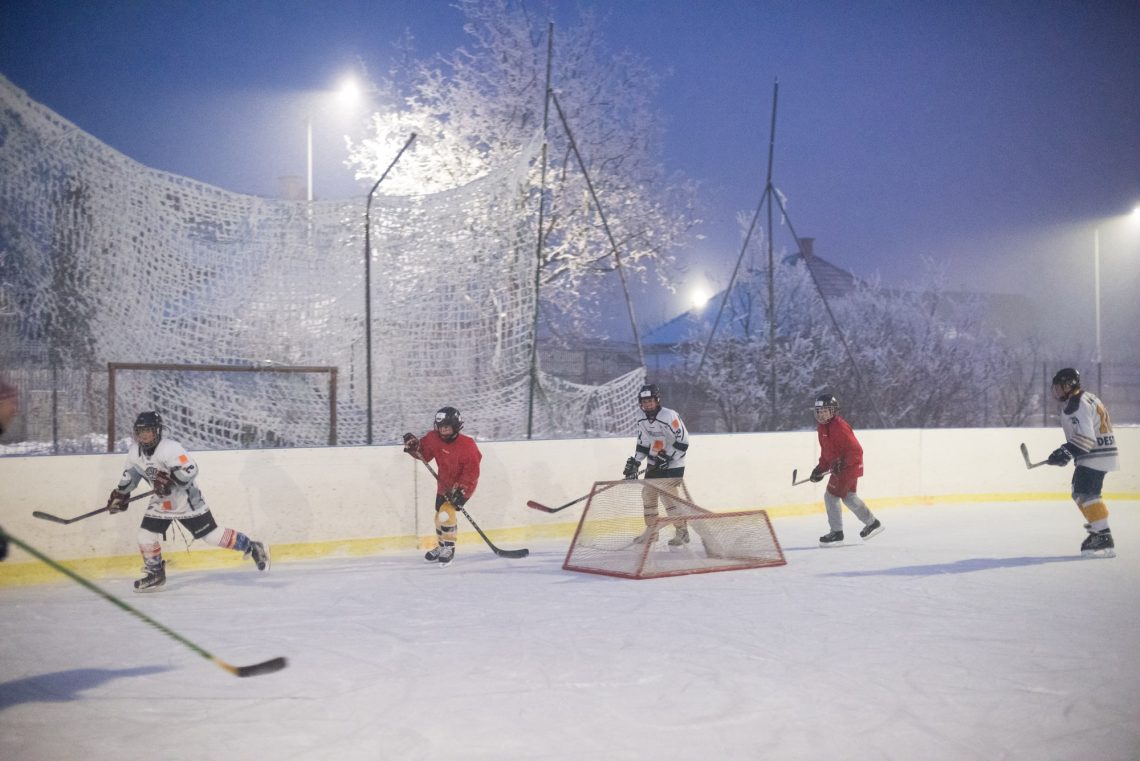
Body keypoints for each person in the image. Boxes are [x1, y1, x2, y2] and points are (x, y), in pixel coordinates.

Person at [106, 411, 270, 591]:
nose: (144, 435)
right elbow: (130, 477)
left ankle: (252, 546)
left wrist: (171, 479)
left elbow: (191, 470)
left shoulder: (171, 448)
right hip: (161, 503)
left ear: (158, 431)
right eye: (141, 431)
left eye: (149, 431)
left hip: (187, 501)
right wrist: (121, 495)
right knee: (144, 536)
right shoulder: (134, 453)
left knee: (212, 537)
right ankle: (155, 573)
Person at [1047, 368, 1117, 558]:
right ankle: (1099, 530)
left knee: (1086, 493)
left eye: (1060, 387)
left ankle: (1102, 535)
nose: (1058, 392)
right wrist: (1067, 452)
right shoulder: (1088, 397)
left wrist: (1066, 451)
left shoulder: (1076, 404)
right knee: (1080, 492)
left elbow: (1086, 438)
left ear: (1069, 385)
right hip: (1101, 452)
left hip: (1096, 454)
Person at [402, 406, 482, 567]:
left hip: (464, 486)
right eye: (441, 426)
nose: (443, 429)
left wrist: (462, 488)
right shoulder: (433, 438)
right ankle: (442, 544)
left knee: (446, 513)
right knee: (439, 516)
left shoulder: (467, 445)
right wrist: (414, 448)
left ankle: (449, 547)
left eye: (447, 425)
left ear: (456, 426)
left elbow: (472, 471)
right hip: (444, 484)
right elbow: (424, 454)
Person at [811, 393, 882, 547]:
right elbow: (826, 452)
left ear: (833, 411)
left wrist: (842, 463)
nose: (822, 414)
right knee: (849, 497)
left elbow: (856, 451)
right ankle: (873, 523)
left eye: (825, 411)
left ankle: (837, 533)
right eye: (819, 411)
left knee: (831, 496)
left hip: (848, 467)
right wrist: (819, 469)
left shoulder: (839, 426)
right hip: (843, 467)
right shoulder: (822, 428)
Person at [623, 383, 691, 546]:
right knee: (648, 494)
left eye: (650, 401)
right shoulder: (640, 416)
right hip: (654, 461)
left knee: (669, 498)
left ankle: (682, 532)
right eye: (644, 401)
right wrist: (637, 461)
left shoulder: (669, 416)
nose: (647, 404)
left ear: (657, 400)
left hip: (674, 462)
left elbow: (683, 441)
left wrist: (668, 457)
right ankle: (652, 532)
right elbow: (644, 441)